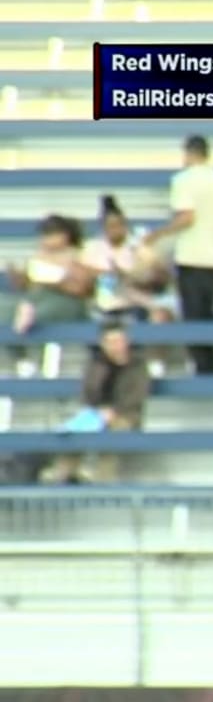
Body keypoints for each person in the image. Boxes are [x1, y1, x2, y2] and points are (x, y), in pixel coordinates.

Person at [144, 134, 213, 375]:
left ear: (188, 153)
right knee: (209, 316)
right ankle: (210, 368)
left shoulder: (183, 181)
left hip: (192, 258)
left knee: (194, 317)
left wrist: (158, 234)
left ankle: (201, 367)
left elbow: (187, 217)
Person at [46, 321, 150, 485]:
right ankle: (64, 475)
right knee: (73, 431)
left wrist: (114, 411)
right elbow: (87, 393)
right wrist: (98, 411)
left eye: (119, 341)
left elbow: (136, 396)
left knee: (112, 433)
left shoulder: (137, 365)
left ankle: (103, 480)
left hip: (126, 415)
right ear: (103, 343)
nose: (116, 346)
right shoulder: (95, 363)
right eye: (110, 342)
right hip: (95, 413)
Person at [82, 195, 176, 379]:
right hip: (103, 307)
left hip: (135, 304)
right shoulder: (92, 248)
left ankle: (154, 364)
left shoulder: (138, 247)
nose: (116, 230)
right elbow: (86, 277)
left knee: (159, 315)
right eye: (111, 226)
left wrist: (130, 275)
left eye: (119, 225)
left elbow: (158, 278)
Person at [7, 214, 95, 375]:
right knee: (5, 313)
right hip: (36, 298)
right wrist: (18, 277)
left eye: (51, 234)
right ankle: (22, 359)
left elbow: (84, 288)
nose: (46, 239)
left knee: (40, 316)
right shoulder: (38, 256)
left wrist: (55, 281)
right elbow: (26, 285)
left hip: (67, 302)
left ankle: (47, 370)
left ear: (65, 235)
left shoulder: (77, 256)